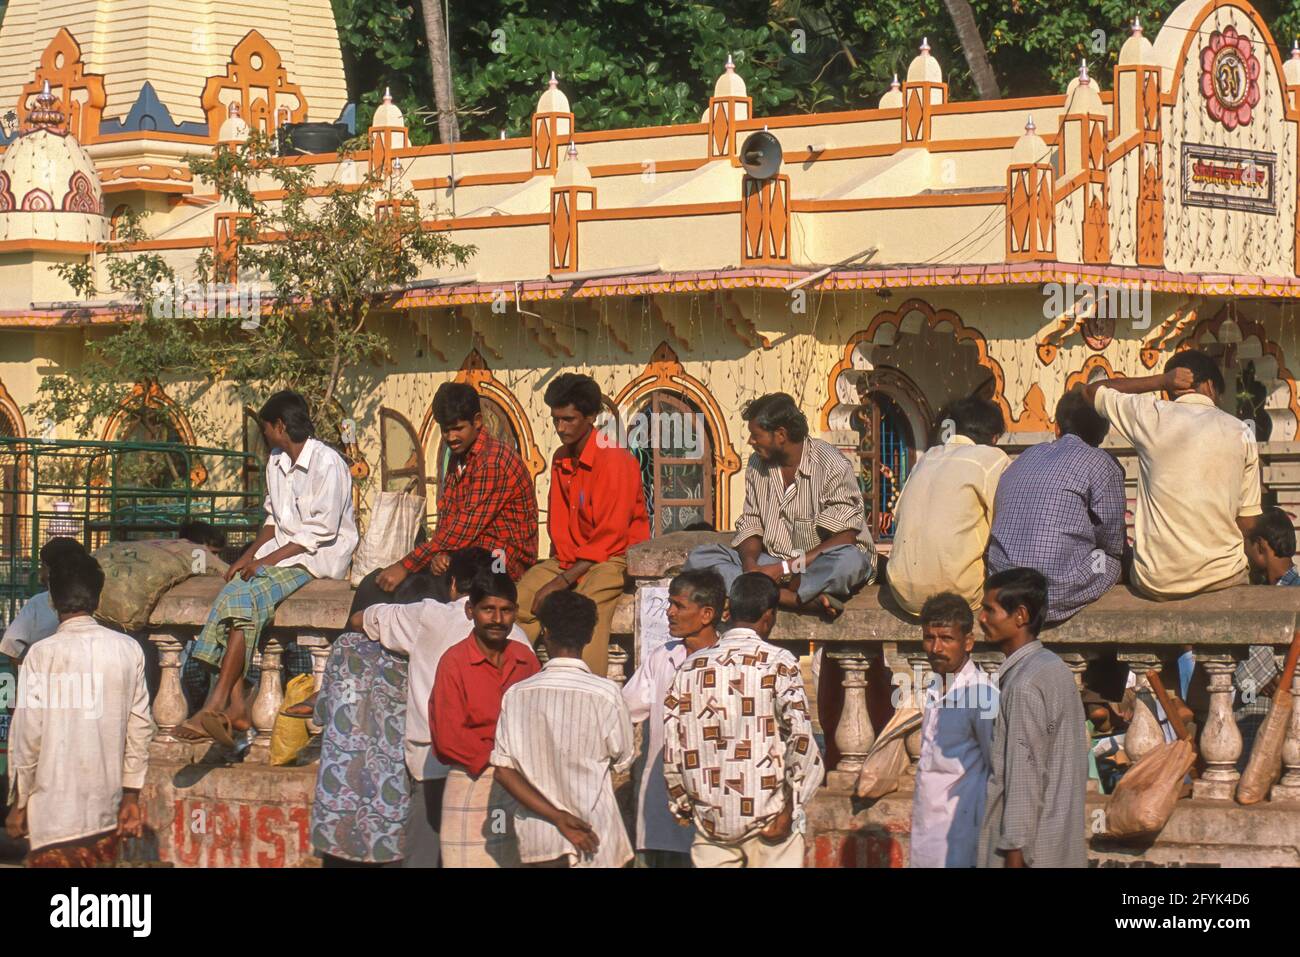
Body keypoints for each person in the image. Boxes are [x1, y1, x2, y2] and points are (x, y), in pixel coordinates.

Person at [176, 391, 358, 745]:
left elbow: (319, 532)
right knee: (236, 591)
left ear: (280, 426)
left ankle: (219, 701)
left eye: (266, 429)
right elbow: (273, 520)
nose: (265, 437)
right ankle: (236, 704)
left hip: (315, 558)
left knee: (249, 593)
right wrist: (247, 557)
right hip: (280, 551)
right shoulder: (276, 461)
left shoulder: (328, 463)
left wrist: (265, 562)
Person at [358, 546, 532, 868]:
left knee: (436, 851)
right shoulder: (519, 640)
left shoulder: (431, 616)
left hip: (440, 762)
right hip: (490, 767)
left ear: (453, 585)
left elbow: (366, 619)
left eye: (504, 611)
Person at [664, 573, 824, 868]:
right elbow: (801, 740)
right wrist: (792, 807)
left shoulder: (690, 667)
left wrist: (682, 802)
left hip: (711, 819)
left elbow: (673, 746)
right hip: (771, 817)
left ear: (728, 611)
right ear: (768, 616)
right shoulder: (779, 662)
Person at [4, 552, 153, 866]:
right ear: (98, 599)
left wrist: (19, 804)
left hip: (52, 817)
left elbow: (28, 737)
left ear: (52, 602)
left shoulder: (41, 655)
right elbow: (140, 727)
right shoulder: (128, 650)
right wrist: (131, 794)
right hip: (105, 809)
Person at [1082, 351, 1261, 599]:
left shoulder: (1150, 415)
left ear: (1170, 387)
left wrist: (1160, 381)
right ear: (1210, 386)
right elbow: (1248, 523)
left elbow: (1092, 390)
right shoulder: (1242, 432)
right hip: (1224, 576)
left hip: (1157, 581)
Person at [685, 392, 874, 620]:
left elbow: (846, 538)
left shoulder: (832, 464)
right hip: (771, 565)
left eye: (756, 435)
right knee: (699, 558)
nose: (750, 442)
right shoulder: (757, 464)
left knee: (849, 562)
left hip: (813, 566)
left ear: (781, 435)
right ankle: (799, 600)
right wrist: (751, 567)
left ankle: (769, 594)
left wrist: (784, 569)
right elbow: (751, 524)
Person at [515, 373, 649, 677]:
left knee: (586, 610)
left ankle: (587, 690)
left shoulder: (615, 459)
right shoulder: (561, 458)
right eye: (556, 420)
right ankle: (514, 684)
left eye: (569, 419)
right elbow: (559, 528)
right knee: (520, 600)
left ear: (590, 417)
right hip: (570, 558)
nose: (561, 428)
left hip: (613, 557)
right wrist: (555, 574)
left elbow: (611, 536)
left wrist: (561, 582)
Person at [362, 382, 538, 608]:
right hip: (467, 552)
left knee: (419, 592)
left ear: (477, 421)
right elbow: (449, 517)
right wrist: (440, 554)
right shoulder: (459, 456)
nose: (451, 436)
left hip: (501, 562)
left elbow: (463, 529)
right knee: (373, 584)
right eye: (446, 430)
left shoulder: (493, 461)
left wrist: (406, 565)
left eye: (458, 428)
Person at [491, 591, 635, 868]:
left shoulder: (517, 694)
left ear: (545, 632)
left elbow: (503, 771)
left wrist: (557, 817)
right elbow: (623, 758)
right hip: (597, 836)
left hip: (540, 839)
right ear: (591, 635)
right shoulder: (606, 694)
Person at [310, 572, 444, 867]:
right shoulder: (419, 661)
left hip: (336, 806)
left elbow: (321, 714)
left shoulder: (344, 646)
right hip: (388, 808)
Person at [977, 568, 1087, 868]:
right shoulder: (1053, 668)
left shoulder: (1025, 684)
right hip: (1059, 844)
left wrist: (1015, 852)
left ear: (1020, 615)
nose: (981, 618)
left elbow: (1024, 778)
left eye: (990, 609)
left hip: (1030, 854)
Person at [987, 387, 1125, 624]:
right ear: (1103, 433)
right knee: (1112, 560)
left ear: (1057, 427)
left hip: (1004, 585)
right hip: (1053, 592)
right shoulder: (1101, 462)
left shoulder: (1025, 457)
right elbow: (1112, 540)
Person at [430, 571, 540, 867]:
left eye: (506, 611)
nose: (497, 619)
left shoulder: (525, 659)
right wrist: (498, 763)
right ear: (470, 611)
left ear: (516, 614)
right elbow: (448, 735)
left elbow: (537, 721)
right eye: (488, 609)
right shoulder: (454, 662)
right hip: (472, 778)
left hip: (519, 781)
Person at [622, 568, 725, 867]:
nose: (669, 612)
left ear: (706, 614)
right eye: (670, 604)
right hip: (660, 806)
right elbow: (625, 710)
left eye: (679, 606)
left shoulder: (726, 663)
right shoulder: (661, 657)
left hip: (712, 806)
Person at [887, 396, 1010, 616]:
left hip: (903, 592)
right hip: (961, 592)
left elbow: (898, 515)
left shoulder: (927, 458)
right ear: (994, 437)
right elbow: (1006, 527)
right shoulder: (992, 458)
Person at [910, 592, 997, 868]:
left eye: (946, 639)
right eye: (929, 638)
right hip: (926, 830)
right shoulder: (935, 687)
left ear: (968, 642)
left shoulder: (983, 694)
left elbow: (999, 768)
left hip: (961, 838)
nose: (936, 648)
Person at [1234, 507, 1300, 759]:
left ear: (1260, 546)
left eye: (1246, 546)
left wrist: (1286, 676)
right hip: (1252, 716)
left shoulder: (1291, 594)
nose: (1244, 554)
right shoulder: (1257, 594)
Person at [0, 537, 88, 664]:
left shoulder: (38, 603)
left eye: (43, 566)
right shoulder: (38, 603)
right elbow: (12, 647)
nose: (41, 575)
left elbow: (12, 646)